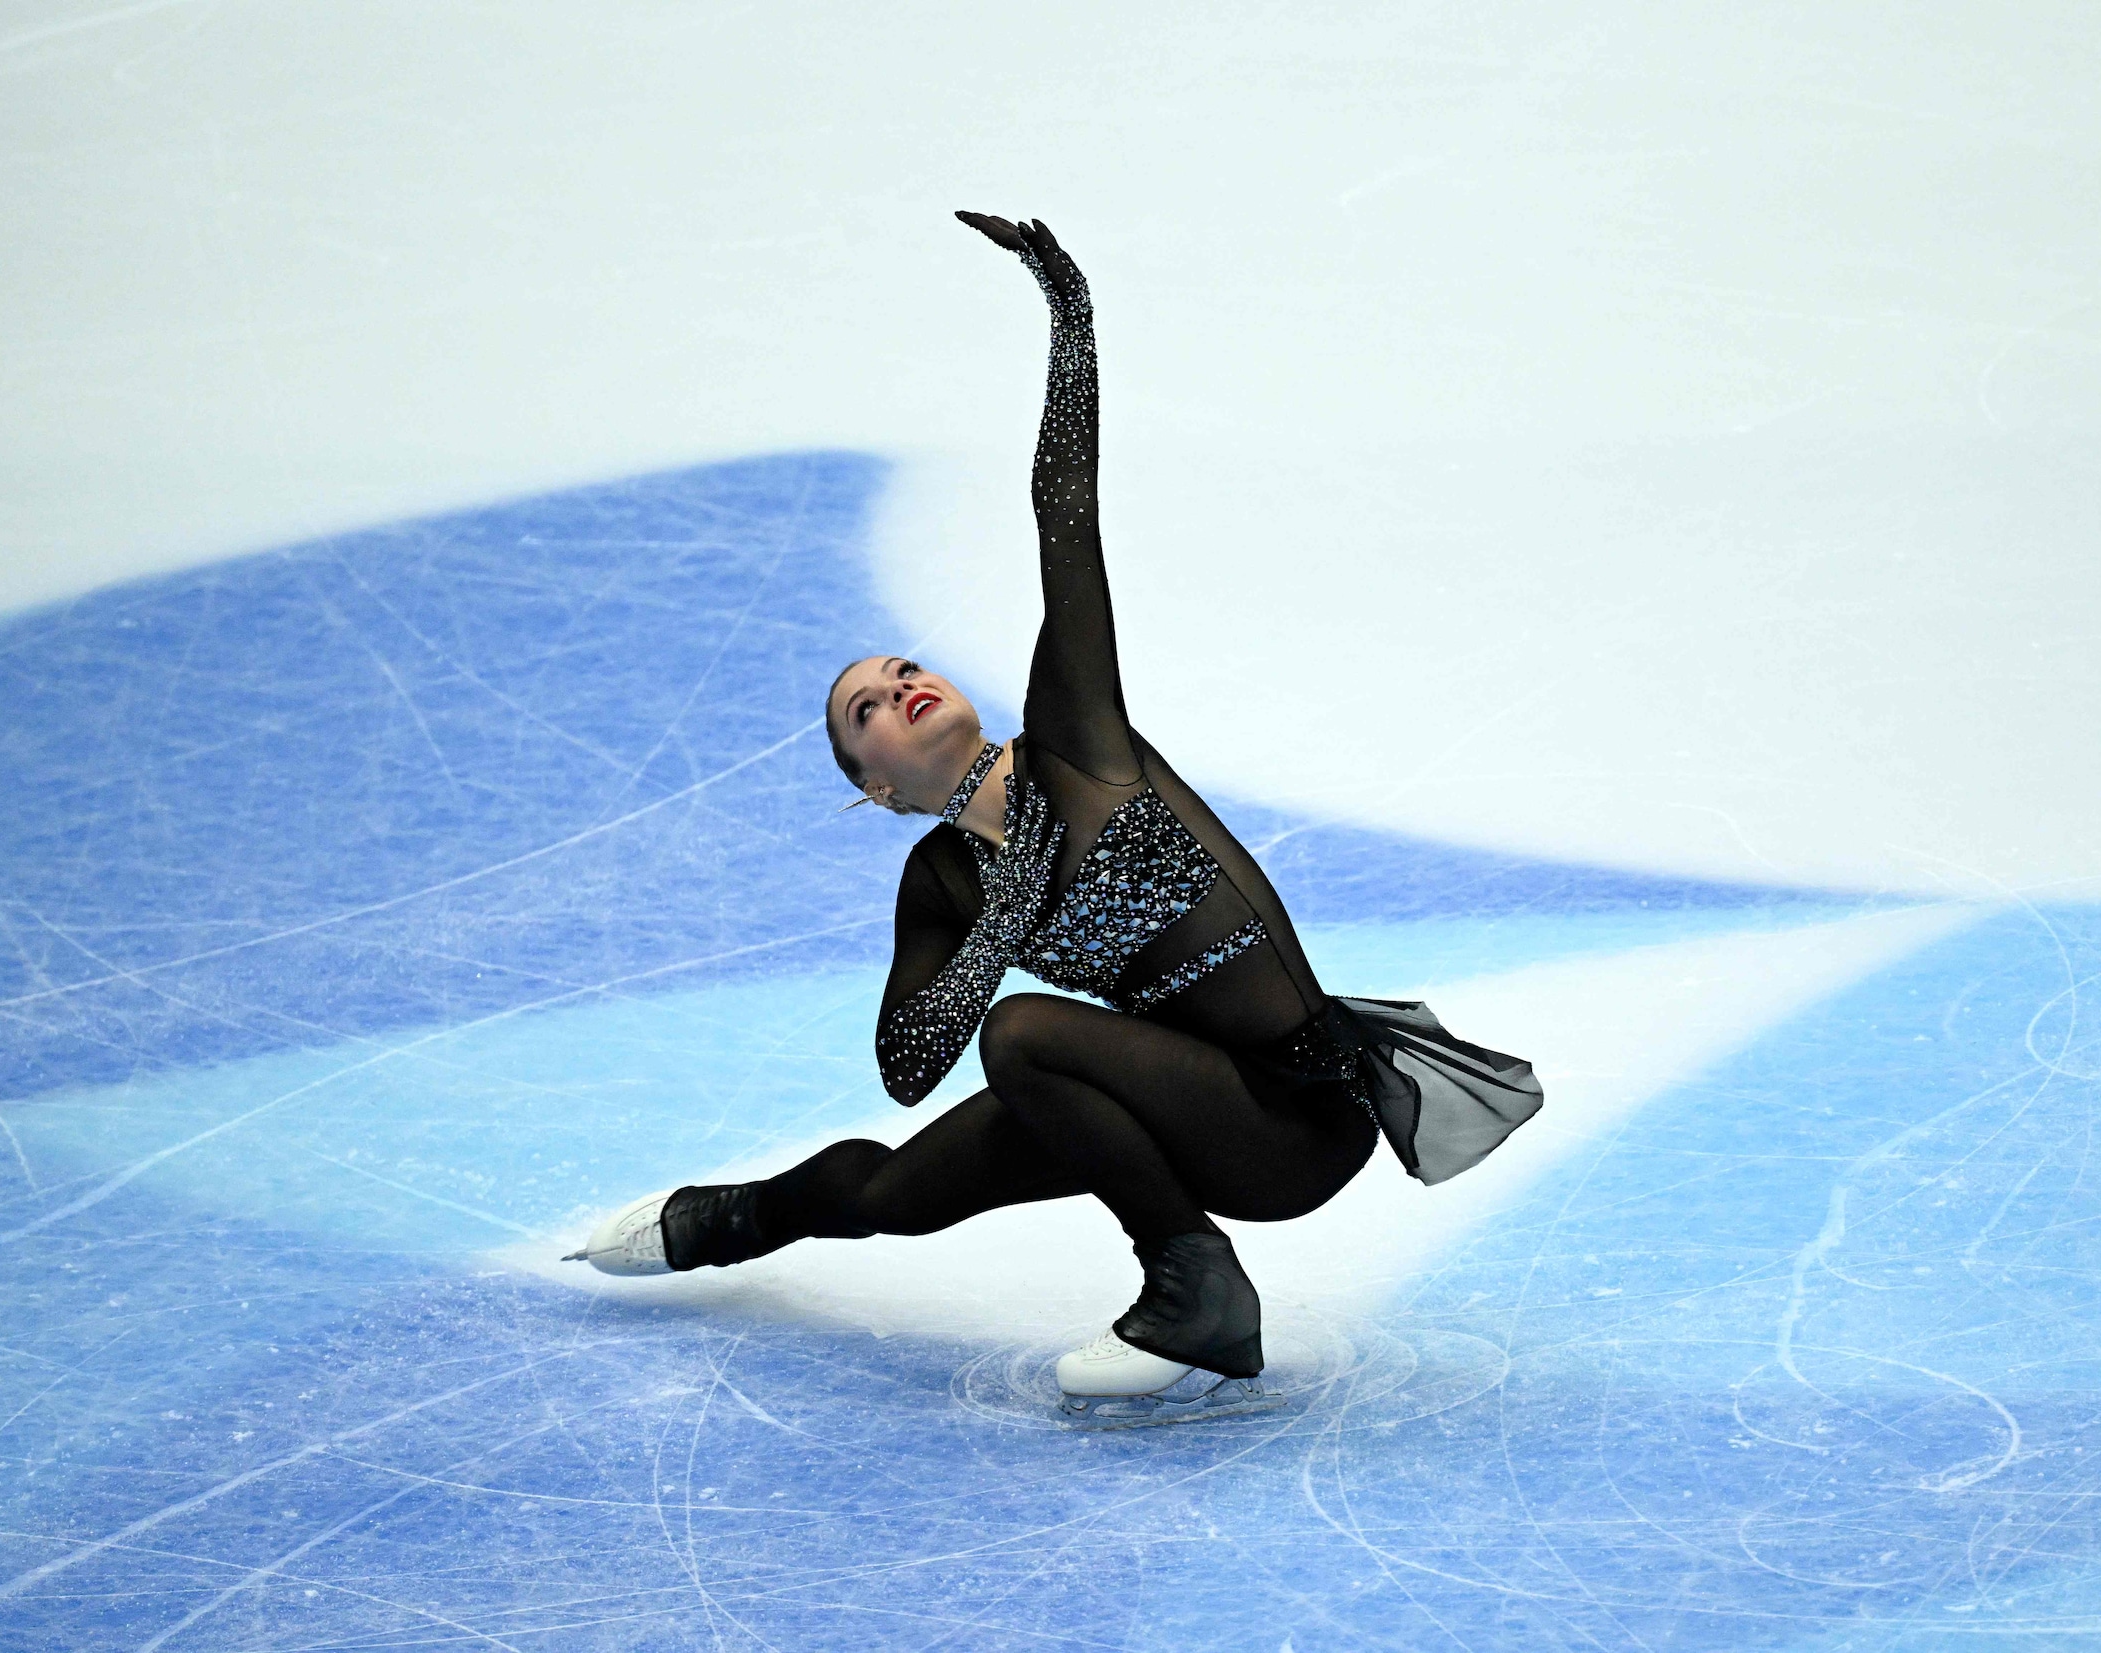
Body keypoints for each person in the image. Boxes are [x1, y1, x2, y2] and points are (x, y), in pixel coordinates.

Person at [570, 213, 1541, 1428]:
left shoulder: (1075, 740)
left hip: (1292, 1117)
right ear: (876, 787)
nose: (898, 686)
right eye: (866, 709)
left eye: (901, 669)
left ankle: (1193, 1287)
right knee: (895, 1193)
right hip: (1169, 1099)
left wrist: (1065, 308)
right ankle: (719, 1221)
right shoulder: (939, 881)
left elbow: (1063, 511)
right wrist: (1000, 917)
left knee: (1025, 1032)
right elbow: (906, 1069)